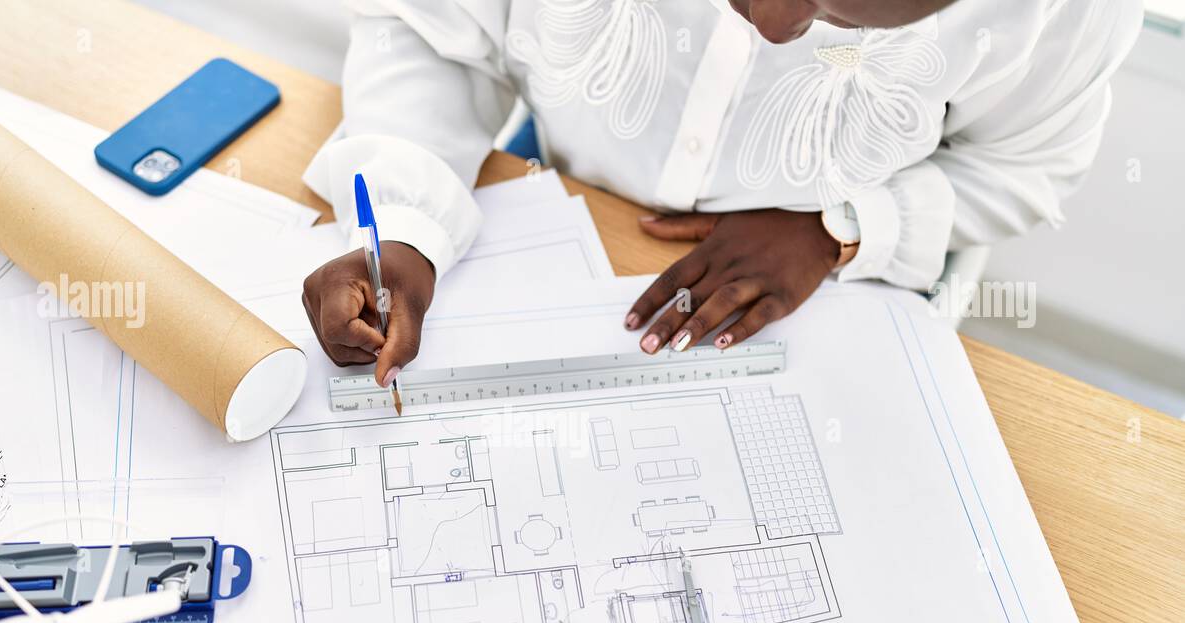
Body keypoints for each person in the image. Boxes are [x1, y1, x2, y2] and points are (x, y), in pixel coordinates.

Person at [300, 0, 1142, 389]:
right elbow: (434, 31)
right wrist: (406, 219)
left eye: (845, 17)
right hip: (567, 187)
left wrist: (840, 229)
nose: (771, 25)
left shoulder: (1066, 13)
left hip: (849, 279)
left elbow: (1022, 169)